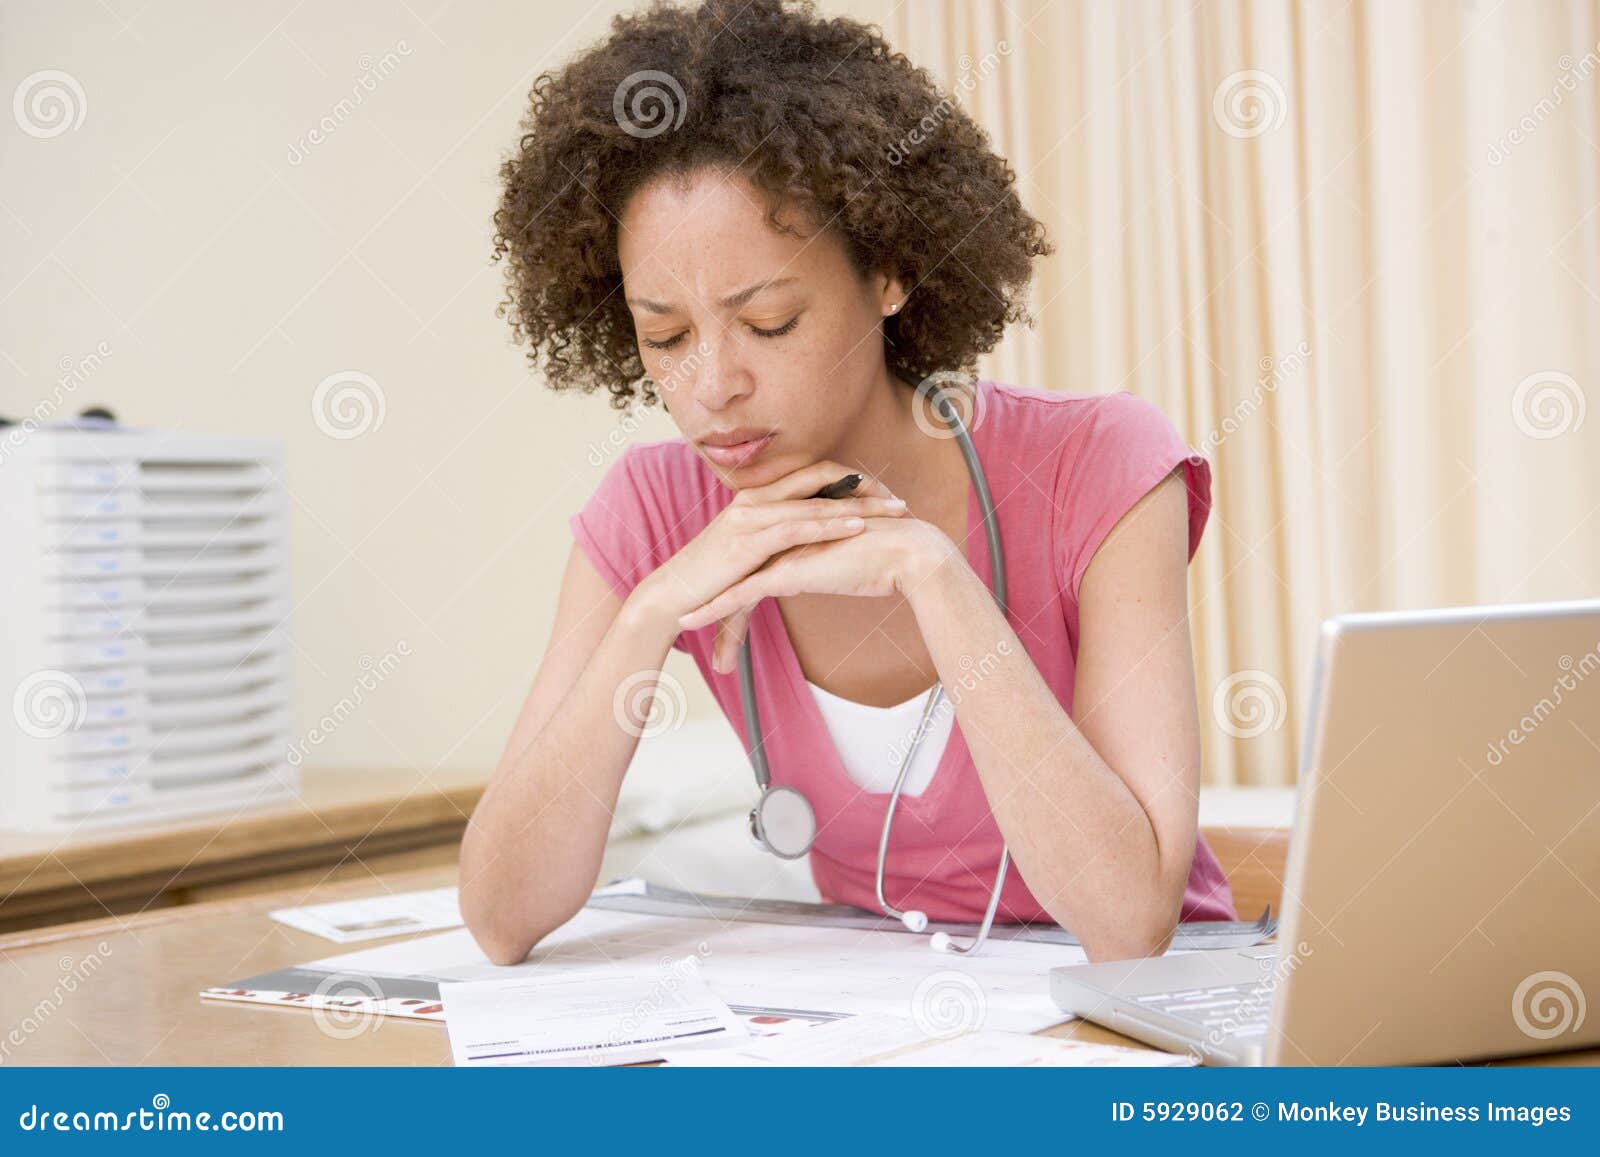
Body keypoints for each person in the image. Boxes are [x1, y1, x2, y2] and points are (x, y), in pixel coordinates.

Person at [460, 0, 1235, 966]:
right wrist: (651, 613)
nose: (712, 385)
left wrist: (938, 582)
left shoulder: (1100, 463)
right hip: (894, 1017)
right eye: (664, 335)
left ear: (890, 273)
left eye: (770, 323)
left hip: (1137, 1020)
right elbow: (502, 917)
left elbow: (1129, 924)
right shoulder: (656, 513)